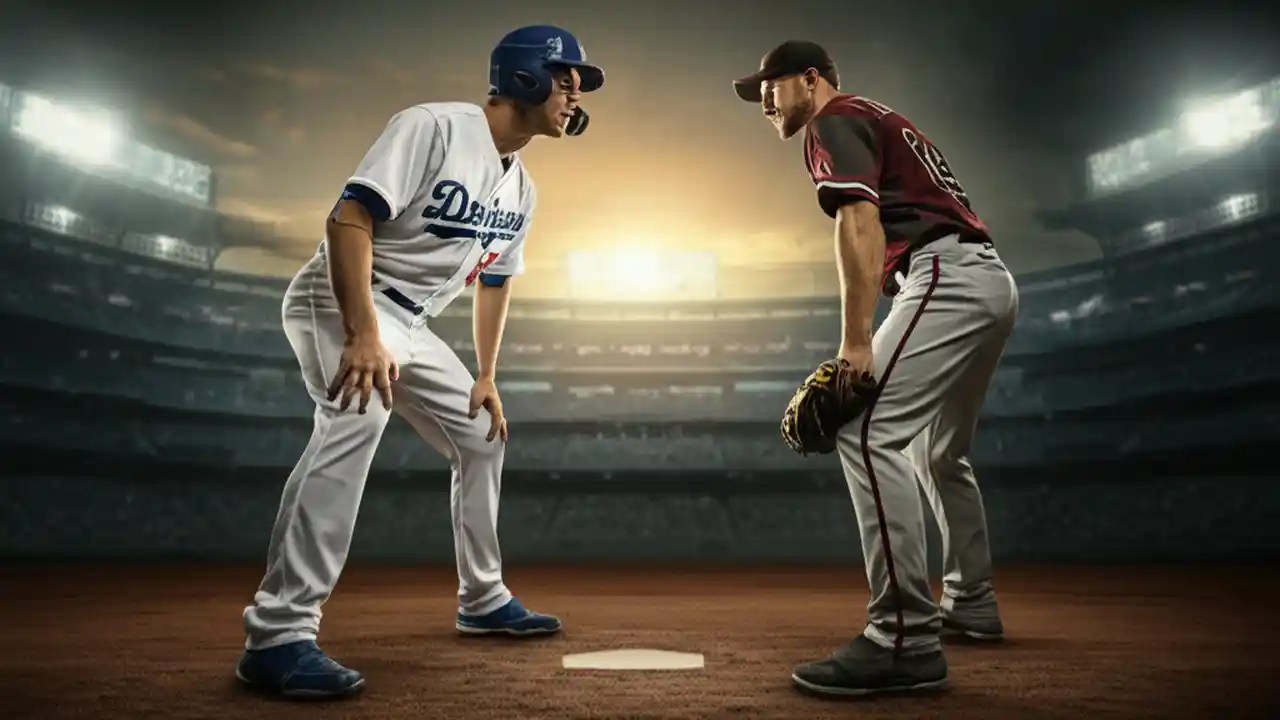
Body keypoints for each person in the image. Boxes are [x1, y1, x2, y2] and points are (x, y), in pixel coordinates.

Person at [234, 25, 604, 699]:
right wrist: (361, 330)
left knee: (480, 434)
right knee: (356, 415)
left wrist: (487, 375)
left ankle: (483, 598)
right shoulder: (435, 127)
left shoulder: (521, 189)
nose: (575, 92)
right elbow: (348, 219)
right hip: (341, 296)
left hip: (410, 320)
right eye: (566, 76)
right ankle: (278, 634)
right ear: (522, 75)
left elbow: (496, 283)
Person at [733, 40, 1019, 697]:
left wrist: (855, 343)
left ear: (812, 79)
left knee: (866, 433)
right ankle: (971, 601)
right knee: (941, 454)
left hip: (942, 274)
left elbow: (859, 217)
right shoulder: (881, 116)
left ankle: (903, 638)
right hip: (986, 279)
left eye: (771, 87)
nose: (765, 102)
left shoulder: (833, 119)